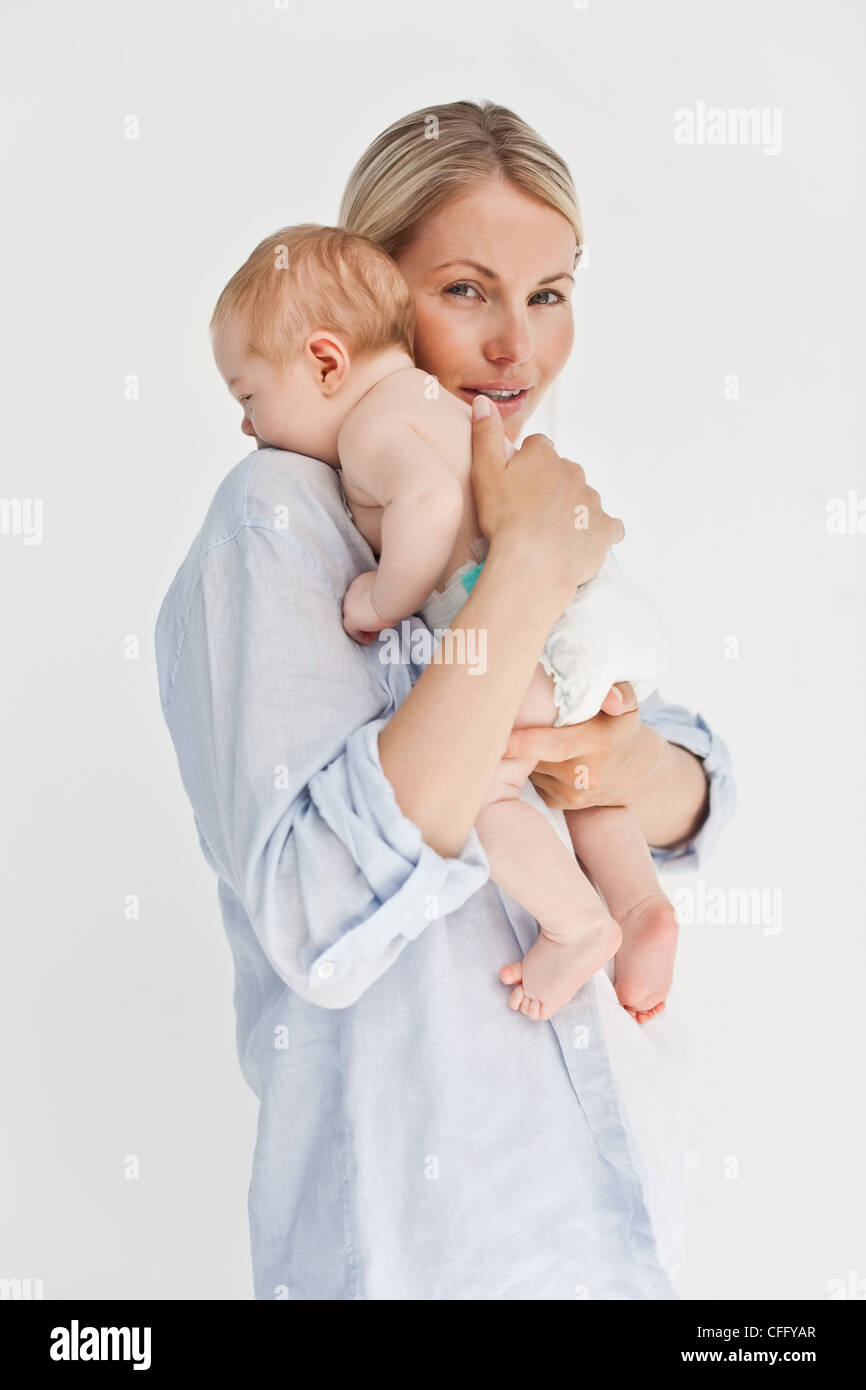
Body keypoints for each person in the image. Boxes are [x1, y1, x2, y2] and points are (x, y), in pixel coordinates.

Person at [154, 99, 735, 1299]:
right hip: (424, 1253)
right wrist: (521, 579)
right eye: (466, 290)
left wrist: (605, 756)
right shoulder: (277, 518)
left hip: (614, 1231)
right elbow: (313, 914)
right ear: (368, 300)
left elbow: (686, 778)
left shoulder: (505, 493)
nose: (516, 347)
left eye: (549, 292)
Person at [209, 221, 678, 1026]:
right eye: (466, 288)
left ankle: (580, 924)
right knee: (571, 767)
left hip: (544, 628)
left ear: (325, 361)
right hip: (603, 616)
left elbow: (425, 506)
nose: (248, 428)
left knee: (482, 776)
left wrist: (381, 600)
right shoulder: (455, 410)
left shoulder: (371, 428)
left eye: (249, 397)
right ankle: (640, 907)